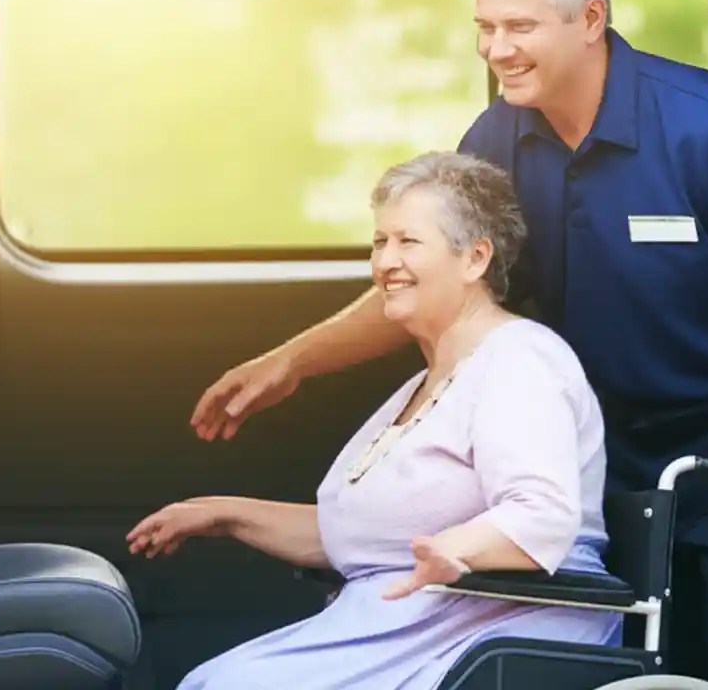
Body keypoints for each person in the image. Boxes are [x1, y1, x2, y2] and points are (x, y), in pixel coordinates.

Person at [189, 0, 708, 688]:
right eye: (485, 28)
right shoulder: (499, 136)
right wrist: (295, 361)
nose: (497, 49)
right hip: (608, 455)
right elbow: (436, 275)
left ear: (590, 19)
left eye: (518, 28)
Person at [128, 152, 622, 689]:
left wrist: (453, 551)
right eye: (379, 242)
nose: (386, 262)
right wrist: (223, 513)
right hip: (409, 620)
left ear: (475, 258)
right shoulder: (427, 382)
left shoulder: (520, 361)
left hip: (498, 622)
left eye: (408, 242)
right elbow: (357, 534)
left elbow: (541, 515)